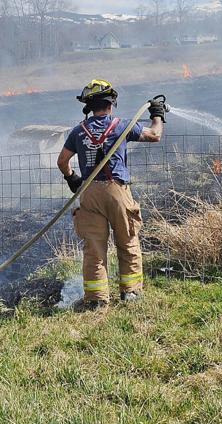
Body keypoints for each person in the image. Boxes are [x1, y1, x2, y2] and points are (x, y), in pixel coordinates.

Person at [57, 79, 166, 309]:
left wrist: (72, 178)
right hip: (117, 191)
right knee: (127, 240)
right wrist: (157, 114)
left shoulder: (78, 131)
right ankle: (131, 292)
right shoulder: (121, 126)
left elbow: (62, 161)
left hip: (89, 193)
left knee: (94, 248)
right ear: (111, 103)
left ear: (89, 106)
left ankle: (96, 299)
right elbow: (155, 135)